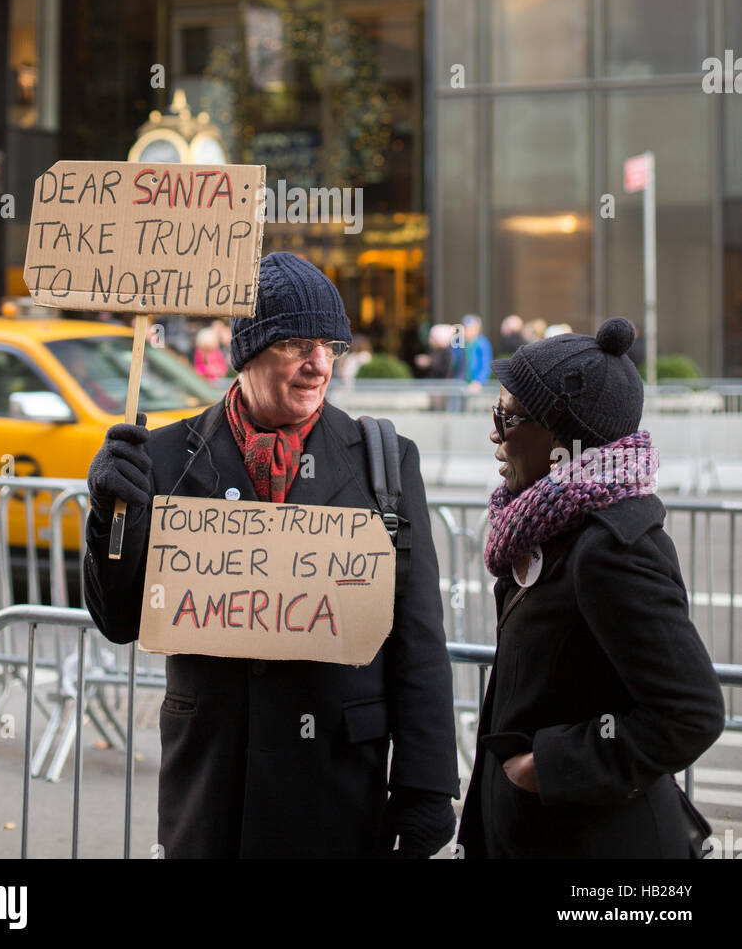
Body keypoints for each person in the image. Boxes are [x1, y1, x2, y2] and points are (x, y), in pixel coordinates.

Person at [83, 251, 459, 860]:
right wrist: (108, 518)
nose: (319, 364)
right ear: (248, 352)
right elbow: (120, 620)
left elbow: (417, 639)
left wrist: (426, 786)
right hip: (212, 790)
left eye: (330, 345)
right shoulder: (164, 456)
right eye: (297, 345)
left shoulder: (383, 461)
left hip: (337, 787)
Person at [456, 317, 725, 860]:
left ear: (562, 438)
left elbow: (690, 712)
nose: (494, 432)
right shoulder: (547, 528)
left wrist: (549, 766)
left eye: (507, 418)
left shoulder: (610, 548)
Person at [450, 314, 492, 387]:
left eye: (471, 328)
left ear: (478, 329)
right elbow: (452, 361)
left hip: (475, 384)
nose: (468, 331)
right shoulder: (458, 341)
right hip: (458, 381)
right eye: (466, 328)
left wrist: (479, 381)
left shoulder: (482, 343)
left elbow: (486, 364)